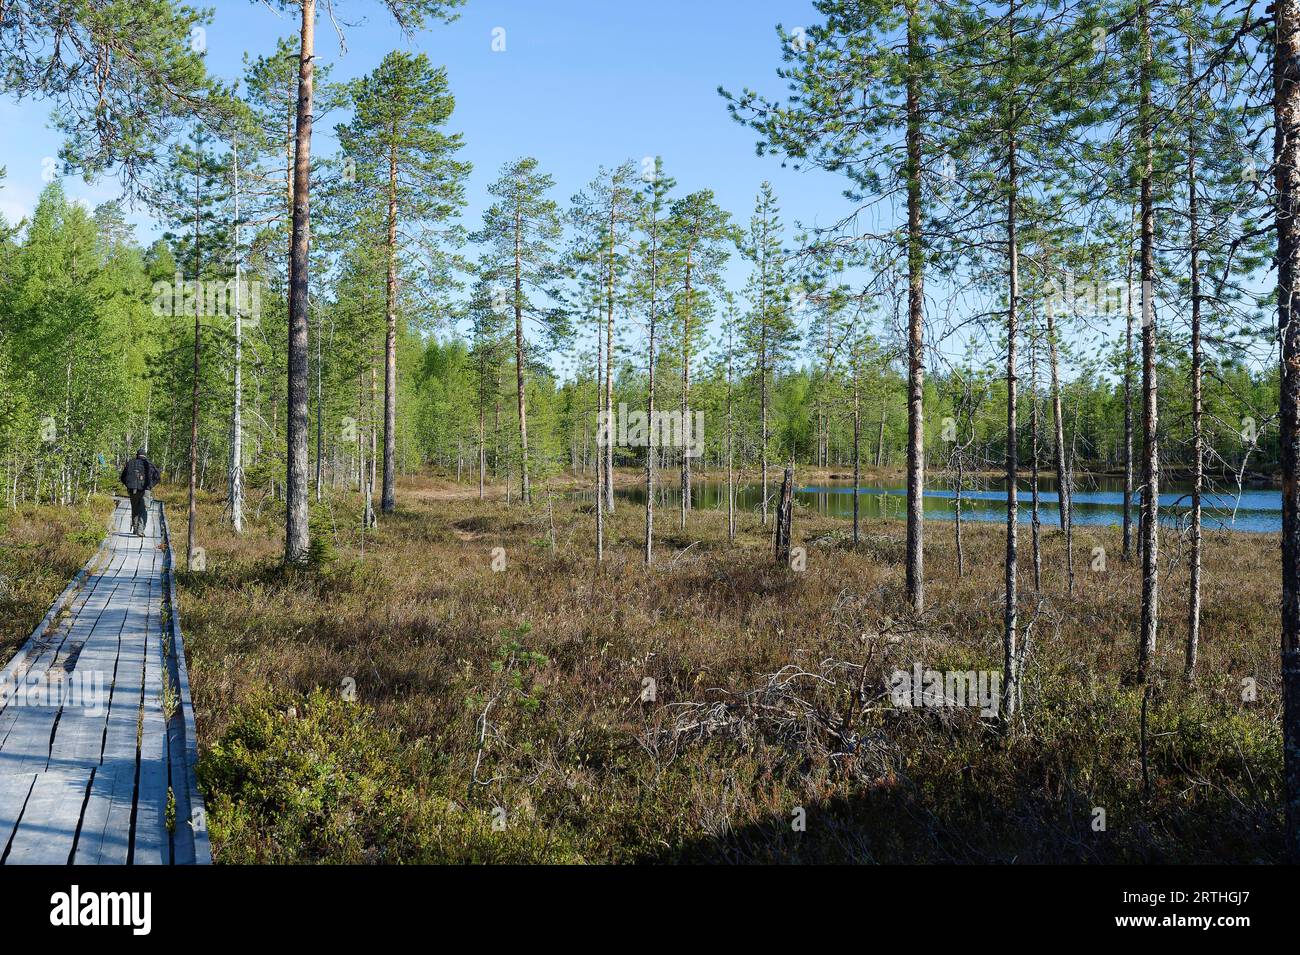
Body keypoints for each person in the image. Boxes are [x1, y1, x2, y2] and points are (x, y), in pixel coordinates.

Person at [120, 449, 161, 536]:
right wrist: (150, 486)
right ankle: (140, 530)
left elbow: (122, 477)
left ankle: (135, 529)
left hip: (132, 490)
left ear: (137, 455)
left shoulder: (130, 463)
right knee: (143, 510)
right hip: (145, 490)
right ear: (145, 455)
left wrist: (128, 485)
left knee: (135, 509)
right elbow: (157, 477)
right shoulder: (149, 464)